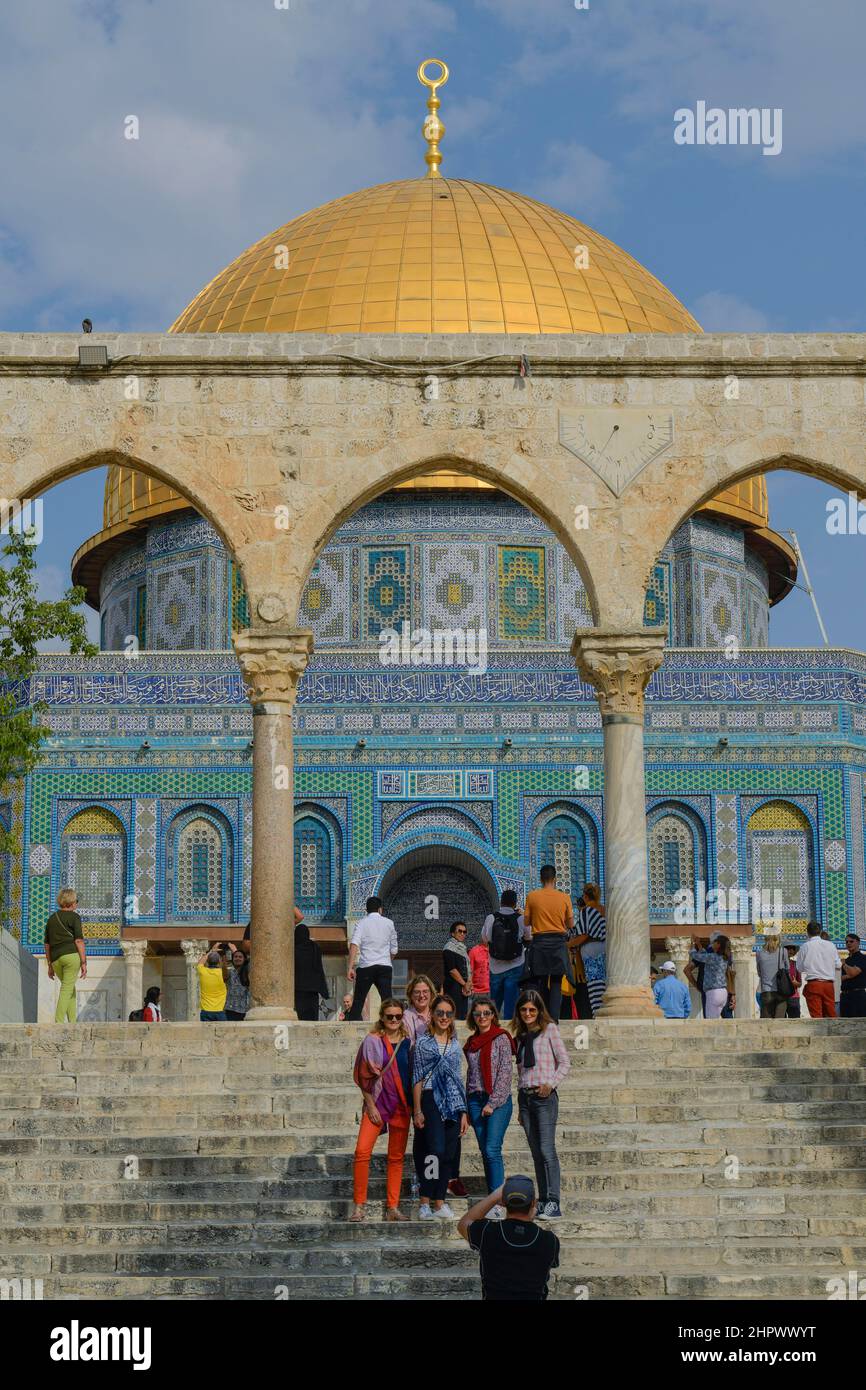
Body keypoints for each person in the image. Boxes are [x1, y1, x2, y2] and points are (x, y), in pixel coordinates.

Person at [404, 973, 467, 1200]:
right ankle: (425, 1193)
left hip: (451, 1099)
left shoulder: (453, 1041)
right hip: (427, 1095)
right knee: (433, 1149)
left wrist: (463, 1110)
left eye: (448, 1013)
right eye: (440, 1013)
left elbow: (458, 1076)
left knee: (447, 1151)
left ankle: (440, 1197)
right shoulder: (420, 1037)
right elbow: (418, 1074)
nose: (444, 1016)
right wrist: (417, 1108)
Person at [351, 998, 412, 1222]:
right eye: (389, 1016)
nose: (394, 1020)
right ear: (382, 1017)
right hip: (376, 1103)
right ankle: (359, 1207)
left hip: (401, 1105)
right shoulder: (372, 1040)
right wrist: (370, 1104)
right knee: (361, 1152)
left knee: (396, 1157)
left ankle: (392, 1208)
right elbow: (363, 1076)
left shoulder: (408, 1041)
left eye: (398, 1016)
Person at [511, 989, 569, 1220]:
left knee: (547, 1149)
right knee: (536, 1152)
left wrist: (551, 1084)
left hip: (544, 1097)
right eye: (524, 1009)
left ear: (539, 1010)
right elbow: (520, 1070)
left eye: (532, 1010)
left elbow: (564, 1062)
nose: (528, 1013)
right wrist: (518, 1103)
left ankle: (554, 1201)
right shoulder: (520, 1037)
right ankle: (543, 1200)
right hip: (525, 1097)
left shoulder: (550, 1030)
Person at [458, 1175, 560, 1301]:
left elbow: (464, 1223)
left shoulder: (487, 1232)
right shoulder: (549, 1240)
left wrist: (495, 1195)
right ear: (534, 1202)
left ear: (504, 1203)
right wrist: (529, 1222)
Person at [464, 996, 515, 1211]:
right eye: (478, 1014)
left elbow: (505, 1074)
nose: (482, 1017)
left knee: (492, 1148)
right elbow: (471, 1074)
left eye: (486, 1013)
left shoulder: (501, 1038)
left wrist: (492, 1103)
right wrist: (467, 1106)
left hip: (498, 1100)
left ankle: (498, 1201)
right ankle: (493, 1196)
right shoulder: (471, 1042)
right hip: (475, 1100)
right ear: (473, 1017)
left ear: (493, 1015)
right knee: (485, 1150)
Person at [523, 866, 574, 1022]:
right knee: (557, 981)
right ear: (555, 879)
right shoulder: (565, 897)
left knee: (542, 981)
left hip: (539, 942)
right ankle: (554, 1019)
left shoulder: (532, 896)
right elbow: (570, 924)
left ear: (540, 879)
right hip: (558, 942)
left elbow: (526, 921)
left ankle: (543, 1018)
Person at [482, 889, 531, 1021]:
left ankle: (491, 1028)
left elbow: (485, 939)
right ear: (515, 903)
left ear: (501, 902)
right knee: (511, 1002)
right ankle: (509, 1030)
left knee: (494, 1003)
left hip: (495, 966)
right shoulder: (520, 919)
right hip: (515, 965)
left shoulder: (491, 918)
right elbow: (529, 936)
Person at [346, 897, 398, 1020]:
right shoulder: (389, 923)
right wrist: (387, 960)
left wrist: (350, 967)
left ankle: (352, 1029)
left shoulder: (362, 923)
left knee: (358, 1000)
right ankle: (391, 1028)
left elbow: (354, 944)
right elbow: (394, 950)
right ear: (380, 909)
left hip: (366, 967)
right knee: (387, 1000)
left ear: (366, 910)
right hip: (384, 966)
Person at [44, 888, 87, 1023]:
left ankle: (72, 1022)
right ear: (71, 902)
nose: (77, 904)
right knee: (66, 989)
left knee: (69, 988)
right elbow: (79, 940)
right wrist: (84, 962)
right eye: (76, 901)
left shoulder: (51, 919)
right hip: (71, 956)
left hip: (56, 959)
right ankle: (58, 1022)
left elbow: (47, 944)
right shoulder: (74, 917)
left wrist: (50, 965)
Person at [570, 882, 606, 1017]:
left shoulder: (587, 911)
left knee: (595, 984)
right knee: (604, 982)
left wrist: (567, 945)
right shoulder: (605, 909)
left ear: (585, 896)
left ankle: (597, 1013)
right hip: (605, 948)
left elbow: (583, 935)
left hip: (591, 950)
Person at [796, 921, 838, 1018]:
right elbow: (838, 964)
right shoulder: (831, 945)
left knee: (816, 1016)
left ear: (807, 932)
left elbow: (799, 968)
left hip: (814, 984)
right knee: (831, 1014)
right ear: (820, 931)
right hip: (828, 985)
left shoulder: (805, 946)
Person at [295, 912, 329, 1020]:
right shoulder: (315, 947)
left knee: (301, 1014)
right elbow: (319, 968)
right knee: (312, 1014)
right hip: (313, 987)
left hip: (298, 987)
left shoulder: (293, 949)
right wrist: (323, 988)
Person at [689, 934, 733, 1019]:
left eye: (714, 942)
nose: (712, 944)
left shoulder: (712, 957)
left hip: (713, 993)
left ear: (718, 945)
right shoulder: (724, 958)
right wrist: (698, 944)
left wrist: (692, 944)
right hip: (723, 992)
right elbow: (705, 955)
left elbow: (695, 955)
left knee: (710, 1021)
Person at [442, 920, 472, 1020]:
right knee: (454, 1015)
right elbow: (452, 970)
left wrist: (467, 984)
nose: (462, 934)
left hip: (463, 987)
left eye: (464, 932)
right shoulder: (449, 948)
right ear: (453, 933)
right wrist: (464, 984)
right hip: (453, 986)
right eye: (460, 931)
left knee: (462, 1015)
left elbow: (467, 968)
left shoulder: (462, 949)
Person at [756, 934, 790, 1019]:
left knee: (766, 1023)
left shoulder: (759, 953)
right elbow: (787, 969)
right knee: (779, 1022)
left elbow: (759, 973)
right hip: (781, 991)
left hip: (766, 992)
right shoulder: (783, 951)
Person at [196, 945, 228, 1021]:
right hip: (220, 1011)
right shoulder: (223, 973)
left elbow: (200, 962)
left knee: (206, 1033)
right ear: (218, 962)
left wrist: (211, 951)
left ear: (207, 961)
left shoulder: (202, 971)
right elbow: (225, 966)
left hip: (206, 1011)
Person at [840, 933, 866, 1018]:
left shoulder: (862, 958)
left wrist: (844, 965)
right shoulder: (847, 960)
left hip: (857, 996)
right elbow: (841, 978)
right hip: (845, 997)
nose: (848, 943)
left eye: (851, 941)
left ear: (858, 943)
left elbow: (852, 973)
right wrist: (850, 974)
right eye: (847, 942)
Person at [225, 948, 250, 1020]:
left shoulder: (248, 971)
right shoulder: (230, 972)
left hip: (244, 1010)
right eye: (235, 957)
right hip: (230, 1008)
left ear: (244, 959)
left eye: (240, 957)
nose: (237, 959)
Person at [468, 936, 490, 1000]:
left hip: (494, 990)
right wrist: (471, 988)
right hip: (477, 992)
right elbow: (469, 971)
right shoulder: (474, 951)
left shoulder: (496, 951)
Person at [784, 943, 802, 1018]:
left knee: (795, 1020)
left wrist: (795, 983)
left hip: (793, 997)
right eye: (788, 948)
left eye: (792, 949)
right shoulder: (780, 964)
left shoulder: (796, 964)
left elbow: (800, 983)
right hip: (782, 997)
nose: (790, 950)